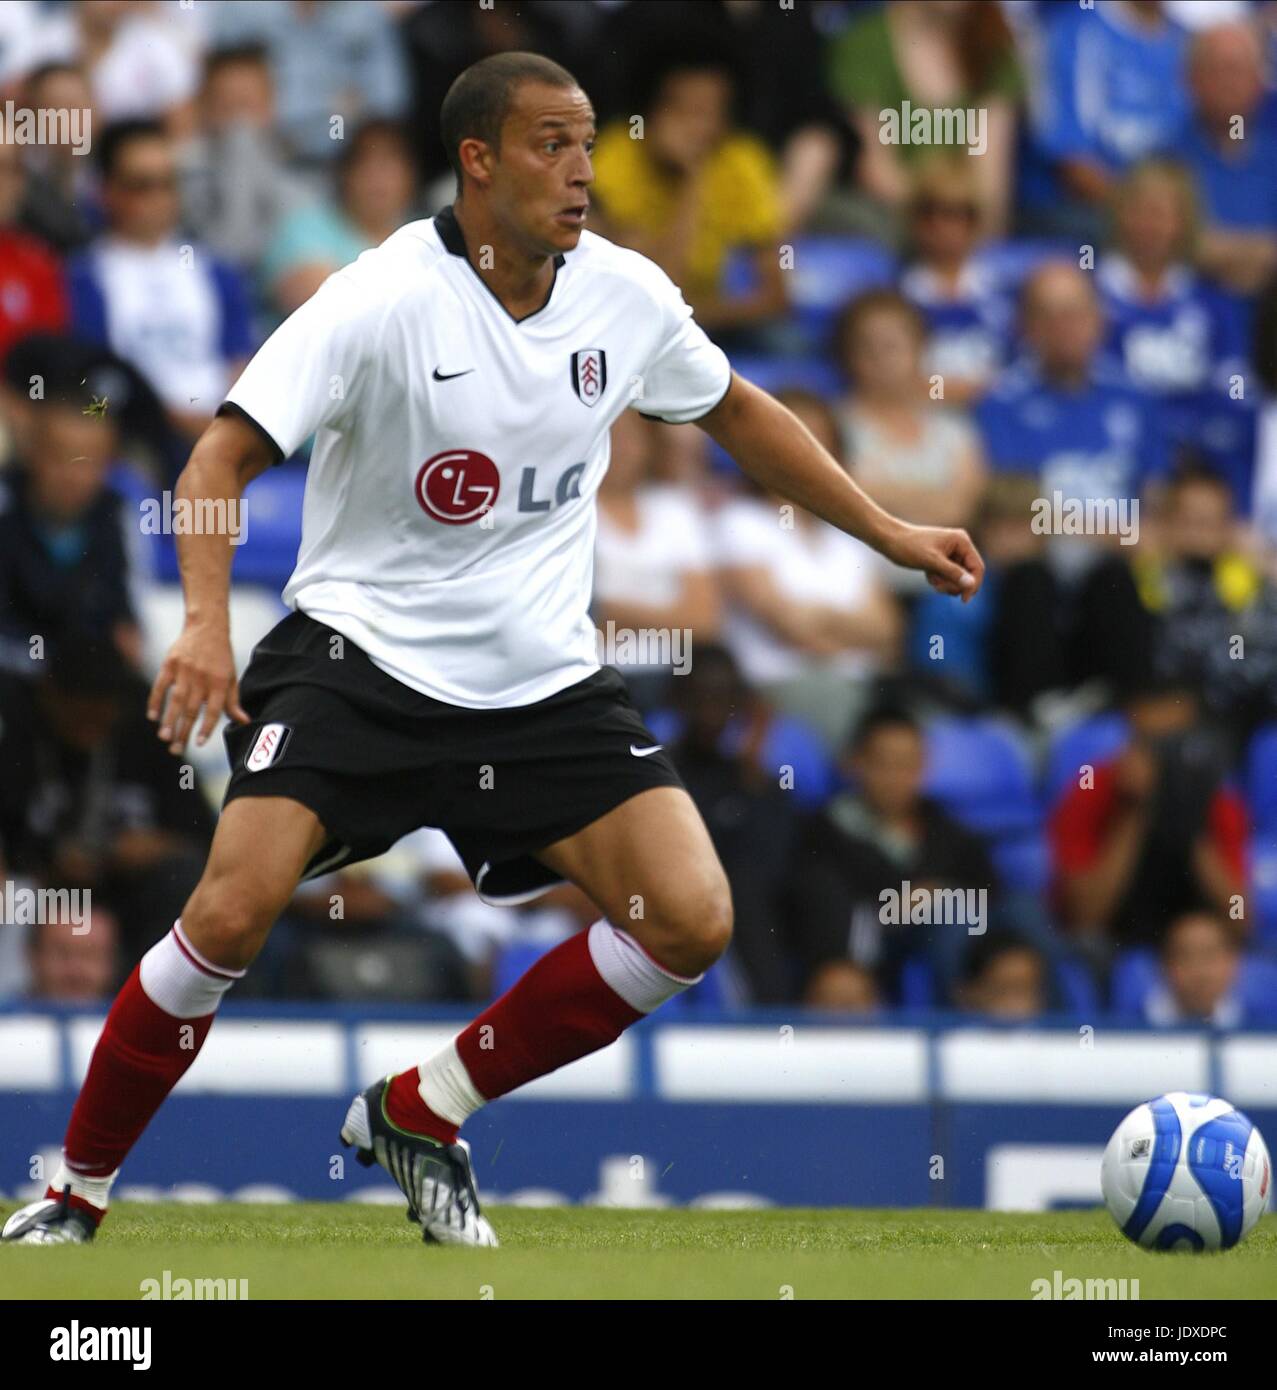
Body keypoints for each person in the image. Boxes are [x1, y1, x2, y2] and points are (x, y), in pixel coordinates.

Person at [1, 52, 982, 1250]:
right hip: (359, 657)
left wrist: (884, 530)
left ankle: (426, 1105)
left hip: (538, 682)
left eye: (585, 144)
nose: (582, 172)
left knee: (688, 915)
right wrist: (205, 623)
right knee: (231, 911)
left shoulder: (622, 295)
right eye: (551, 144)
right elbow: (215, 463)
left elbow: (736, 411)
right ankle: (78, 1186)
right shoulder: (379, 298)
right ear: (478, 159)